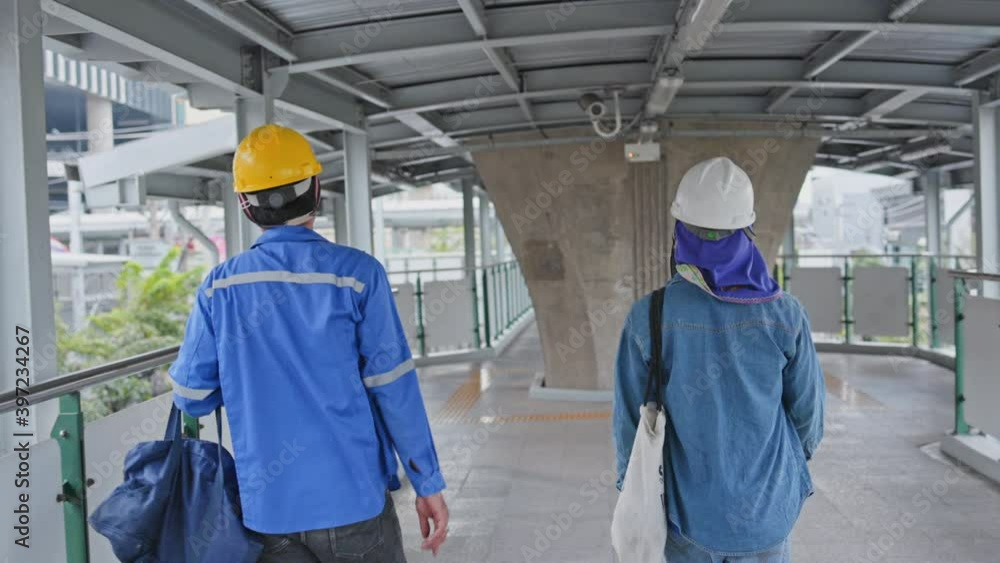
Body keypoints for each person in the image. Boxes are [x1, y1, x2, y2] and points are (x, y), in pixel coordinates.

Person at [169, 124, 448, 562]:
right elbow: (393, 387)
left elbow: (192, 396)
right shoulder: (358, 275)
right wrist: (427, 483)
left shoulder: (218, 288)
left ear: (245, 204)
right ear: (315, 189)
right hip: (354, 500)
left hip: (267, 511)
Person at [613, 157, 824, 563]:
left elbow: (628, 421)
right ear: (746, 231)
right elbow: (808, 418)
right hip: (767, 516)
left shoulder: (650, 314)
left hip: (684, 518)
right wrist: (783, 475)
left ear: (680, 232)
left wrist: (632, 487)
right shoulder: (785, 314)